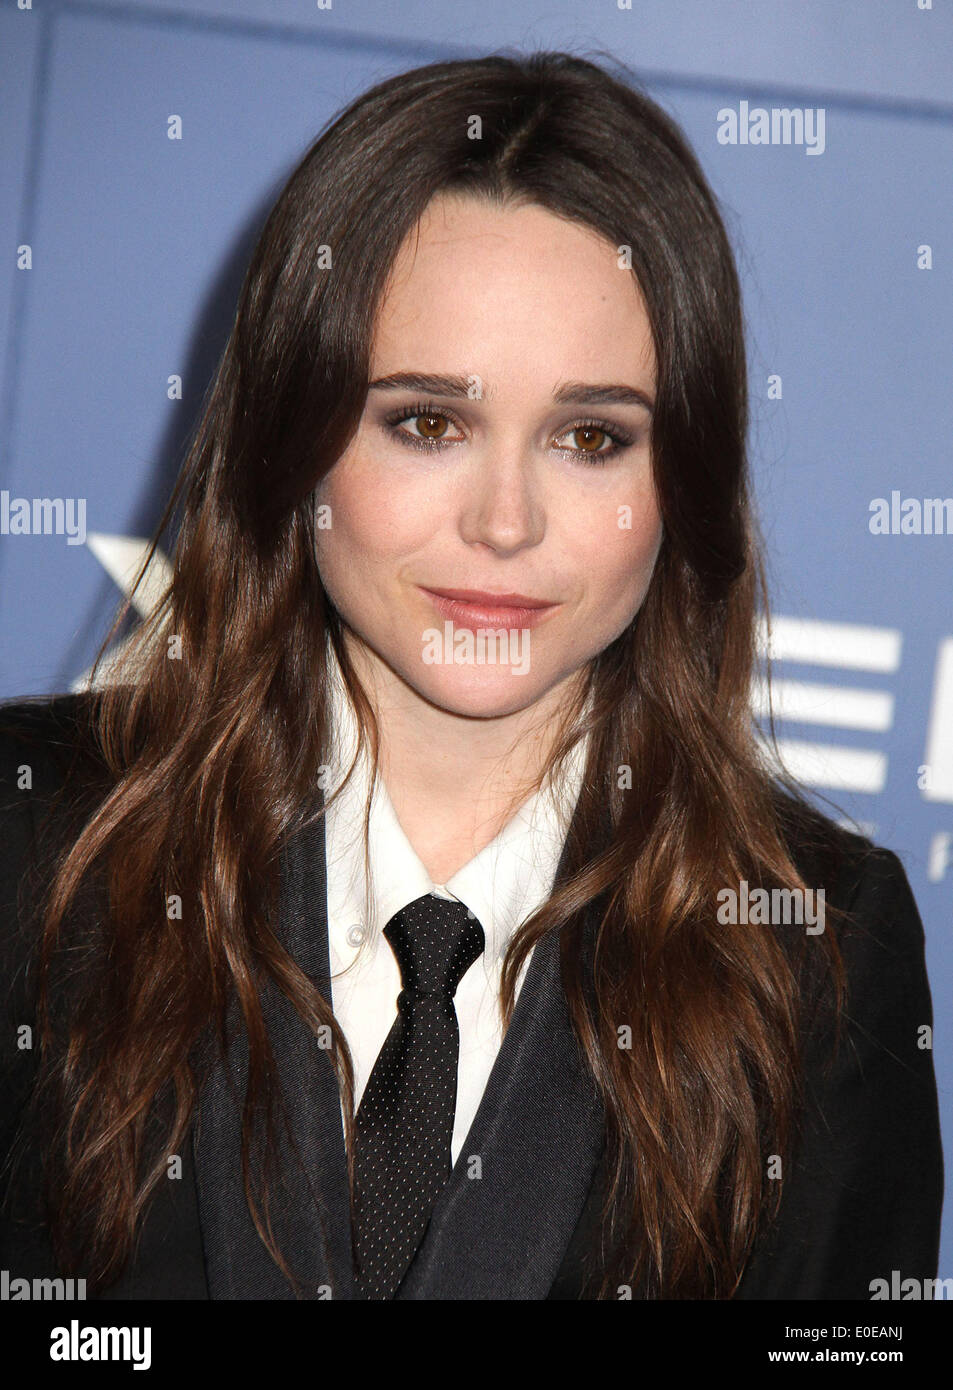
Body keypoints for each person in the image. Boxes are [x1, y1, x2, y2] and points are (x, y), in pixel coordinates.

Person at [0, 50, 942, 1302]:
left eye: (590, 437)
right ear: (295, 432)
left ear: (683, 480)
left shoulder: (814, 954)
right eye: (427, 421)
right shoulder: (36, 840)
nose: (505, 523)